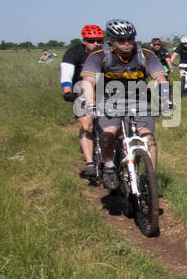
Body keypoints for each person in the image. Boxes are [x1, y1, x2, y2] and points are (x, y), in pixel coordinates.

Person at [78, 19, 171, 192]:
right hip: (108, 101)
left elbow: (160, 79)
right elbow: (88, 82)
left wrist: (165, 99)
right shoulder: (99, 55)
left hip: (140, 100)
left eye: (130, 39)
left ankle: (151, 180)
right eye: (121, 40)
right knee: (108, 133)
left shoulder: (145, 54)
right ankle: (108, 165)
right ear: (112, 41)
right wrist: (90, 103)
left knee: (148, 138)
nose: (127, 43)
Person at [62, 25, 106, 179]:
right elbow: (66, 75)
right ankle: (89, 163)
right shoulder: (74, 53)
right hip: (80, 90)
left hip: (104, 89)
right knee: (86, 125)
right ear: (84, 41)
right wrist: (67, 91)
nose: (96, 44)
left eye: (100, 40)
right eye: (91, 41)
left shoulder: (107, 52)